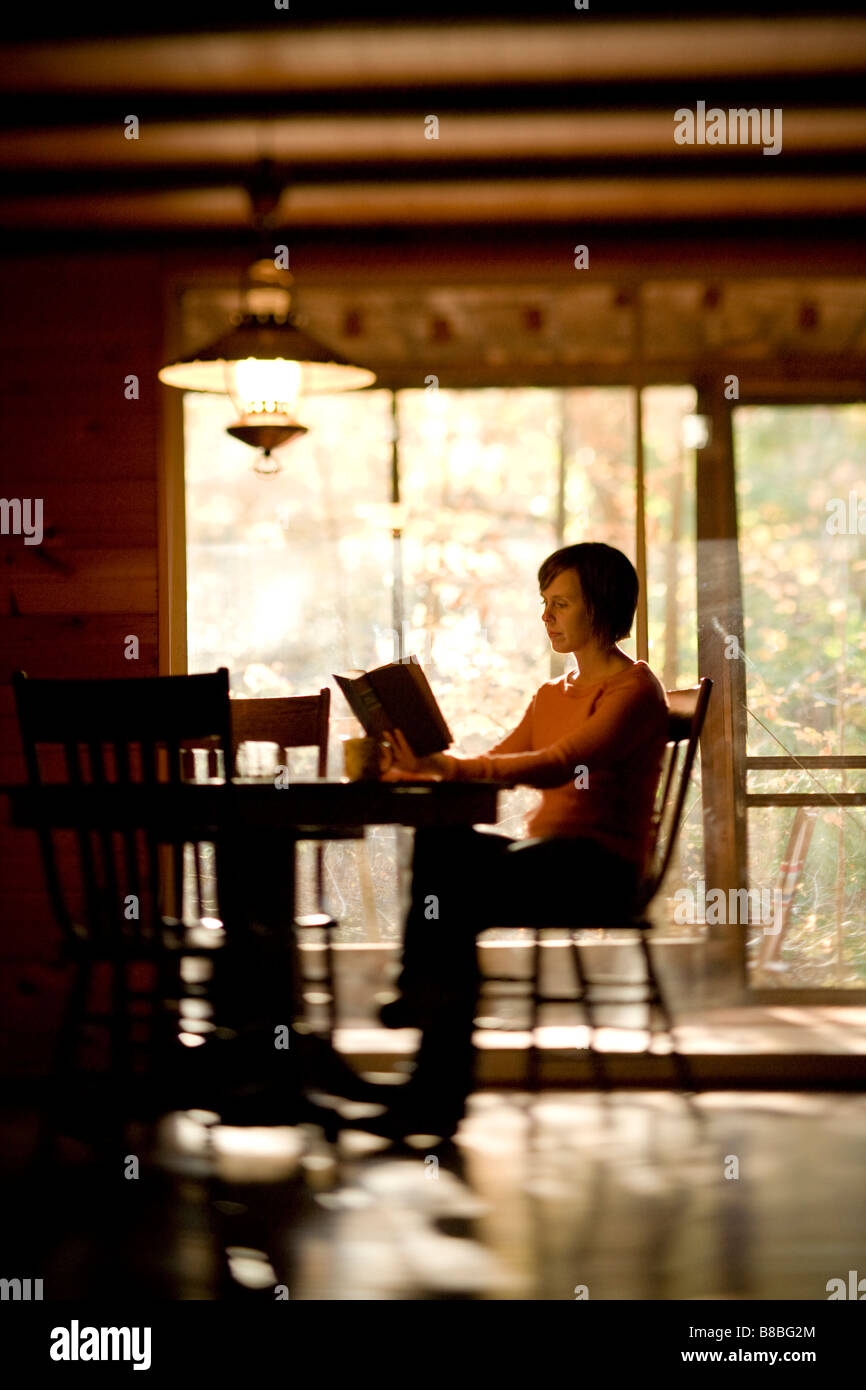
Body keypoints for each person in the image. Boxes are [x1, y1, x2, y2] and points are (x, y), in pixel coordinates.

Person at [356, 542, 670, 1142]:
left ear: (601, 607)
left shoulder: (634, 691)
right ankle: (424, 1040)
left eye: (560, 604)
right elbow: (498, 761)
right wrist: (425, 768)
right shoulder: (553, 694)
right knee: (444, 845)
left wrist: (451, 772)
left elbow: (558, 763)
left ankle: (429, 1073)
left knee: (453, 889)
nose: (546, 616)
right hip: (548, 860)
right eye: (544, 603)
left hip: (599, 870)